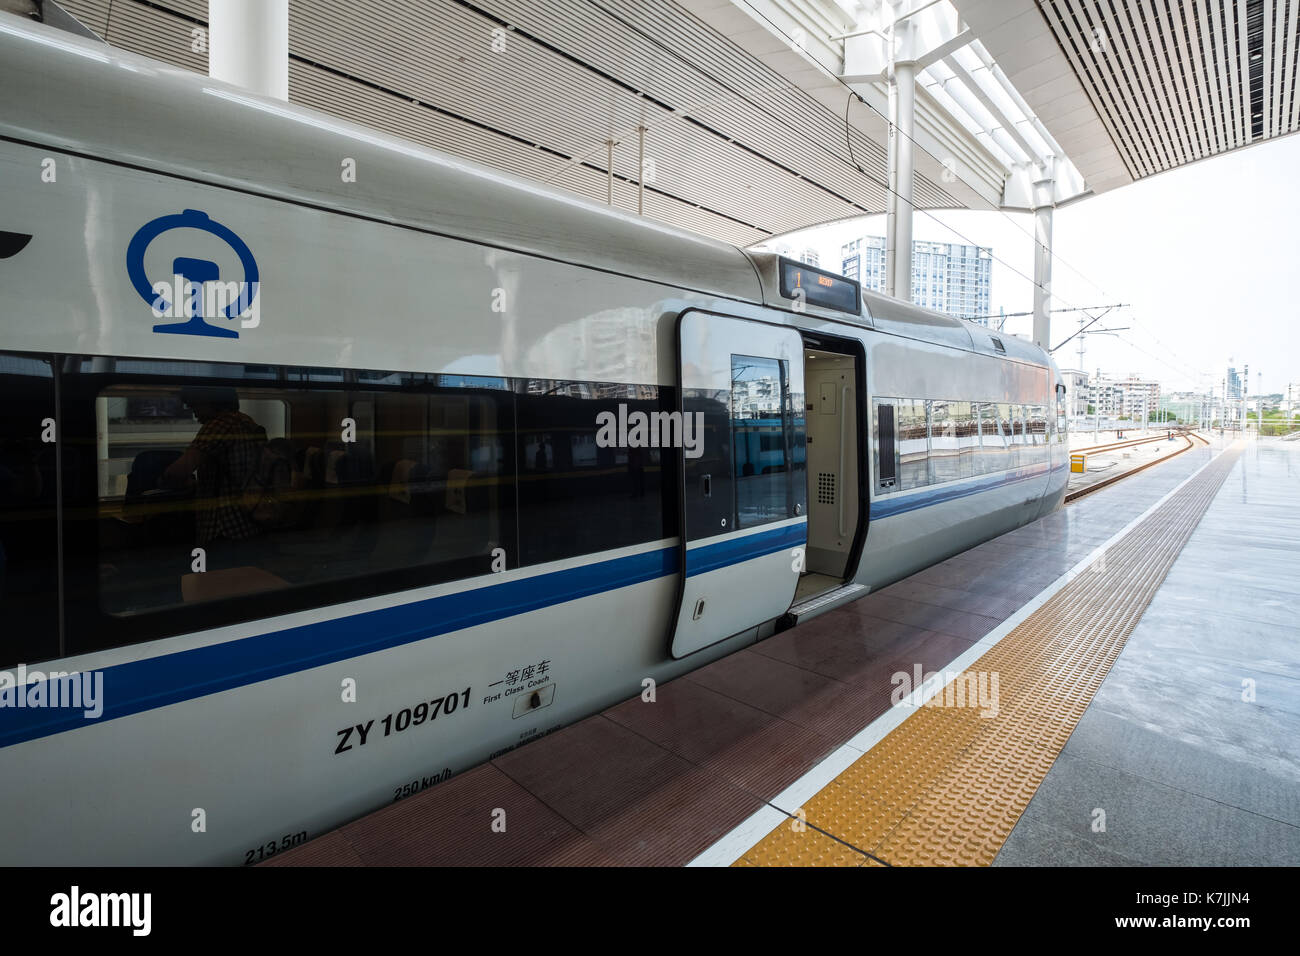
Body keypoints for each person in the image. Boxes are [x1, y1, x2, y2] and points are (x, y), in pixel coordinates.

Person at [162, 385, 265, 567]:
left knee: (212, 586)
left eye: (195, 406)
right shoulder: (246, 422)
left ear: (211, 402)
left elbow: (176, 473)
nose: (195, 414)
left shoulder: (219, 424)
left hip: (223, 528)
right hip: (248, 524)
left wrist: (166, 480)